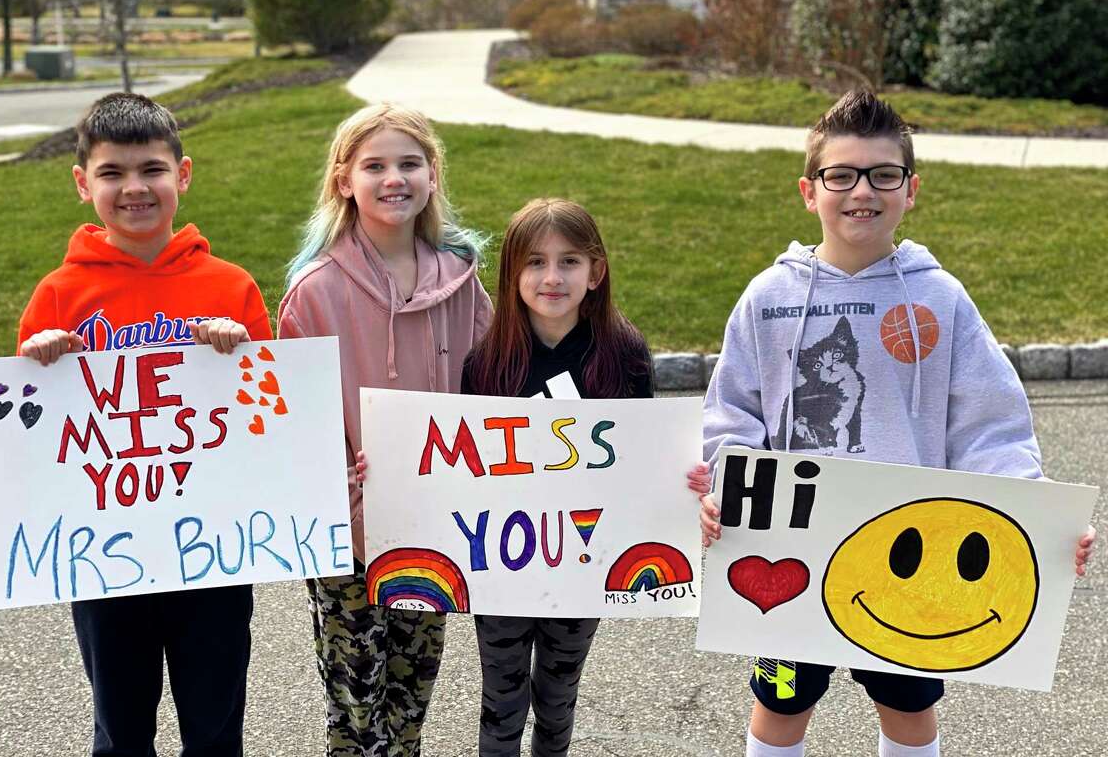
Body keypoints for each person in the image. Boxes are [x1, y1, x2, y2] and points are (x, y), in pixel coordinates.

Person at [694, 90, 1095, 757]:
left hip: (910, 550)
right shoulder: (769, 298)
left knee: (908, 712)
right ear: (809, 191)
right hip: (790, 552)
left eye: (883, 175)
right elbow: (732, 412)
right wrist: (725, 488)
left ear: (911, 190)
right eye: (841, 175)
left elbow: (987, 423)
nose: (862, 191)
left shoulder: (939, 297)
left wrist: (1036, 511)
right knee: (780, 708)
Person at [18, 92, 272, 756]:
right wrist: (37, 360)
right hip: (104, 557)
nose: (134, 188)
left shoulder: (232, 288)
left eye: (152, 169)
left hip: (212, 555)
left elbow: (269, 417)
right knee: (121, 728)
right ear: (83, 184)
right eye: (112, 173)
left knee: (215, 727)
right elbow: (33, 433)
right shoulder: (58, 294)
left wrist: (242, 353)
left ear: (182, 175)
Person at [278, 103, 492, 756]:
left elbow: (492, 390)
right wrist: (339, 486)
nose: (393, 178)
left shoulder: (462, 283)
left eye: (409, 163)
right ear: (344, 180)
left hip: (432, 527)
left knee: (412, 689)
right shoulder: (313, 292)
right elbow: (293, 419)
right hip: (346, 534)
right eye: (374, 166)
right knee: (356, 698)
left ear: (433, 175)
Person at [461, 197, 653, 756]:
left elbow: (646, 456)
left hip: (583, 561)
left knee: (558, 696)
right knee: (501, 697)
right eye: (535, 262)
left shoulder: (624, 354)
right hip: (502, 563)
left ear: (596, 272)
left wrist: (679, 481)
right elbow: (460, 466)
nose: (552, 277)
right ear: (511, 274)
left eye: (569, 261)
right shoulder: (487, 362)